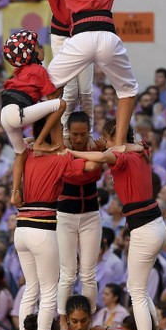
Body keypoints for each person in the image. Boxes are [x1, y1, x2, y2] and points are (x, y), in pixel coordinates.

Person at [28, 0, 139, 150]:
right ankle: (119, 145)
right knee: (127, 91)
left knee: (52, 90)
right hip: (106, 35)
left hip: (80, 36)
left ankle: (56, 141)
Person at [69, 122, 166, 330]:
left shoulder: (122, 155)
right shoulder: (139, 150)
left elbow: (103, 157)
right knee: (139, 289)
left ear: (116, 139)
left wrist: (70, 152)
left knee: (137, 292)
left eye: (106, 139)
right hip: (156, 225)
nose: (104, 142)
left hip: (145, 228)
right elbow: (136, 146)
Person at [11, 110, 91, 330]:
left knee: (31, 288)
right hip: (42, 228)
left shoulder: (27, 152)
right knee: (48, 292)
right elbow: (90, 166)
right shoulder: (60, 159)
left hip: (21, 228)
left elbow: (22, 148)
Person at [33, 0, 95, 131]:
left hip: (82, 31)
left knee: (85, 90)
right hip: (61, 33)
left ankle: (88, 134)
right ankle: (66, 135)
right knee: (69, 89)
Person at [56, 111, 104, 317]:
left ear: (88, 132)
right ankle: (63, 320)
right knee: (67, 274)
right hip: (65, 217)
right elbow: (81, 174)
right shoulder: (60, 150)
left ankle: (89, 320)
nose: (78, 139)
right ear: (68, 131)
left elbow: (92, 172)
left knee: (88, 274)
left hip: (91, 216)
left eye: (83, 134)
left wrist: (75, 156)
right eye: (74, 134)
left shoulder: (94, 148)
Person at [0, 30, 64, 157]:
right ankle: (39, 142)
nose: (42, 49)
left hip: (4, 115)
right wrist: (64, 81)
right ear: (31, 53)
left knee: (20, 153)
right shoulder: (38, 70)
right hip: (16, 114)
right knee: (61, 104)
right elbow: (52, 98)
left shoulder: (19, 71)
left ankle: (18, 175)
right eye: (38, 47)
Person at [57, 294, 127, 330]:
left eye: (84, 321)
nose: (79, 326)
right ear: (67, 319)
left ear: (90, 317)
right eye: (74, 321)